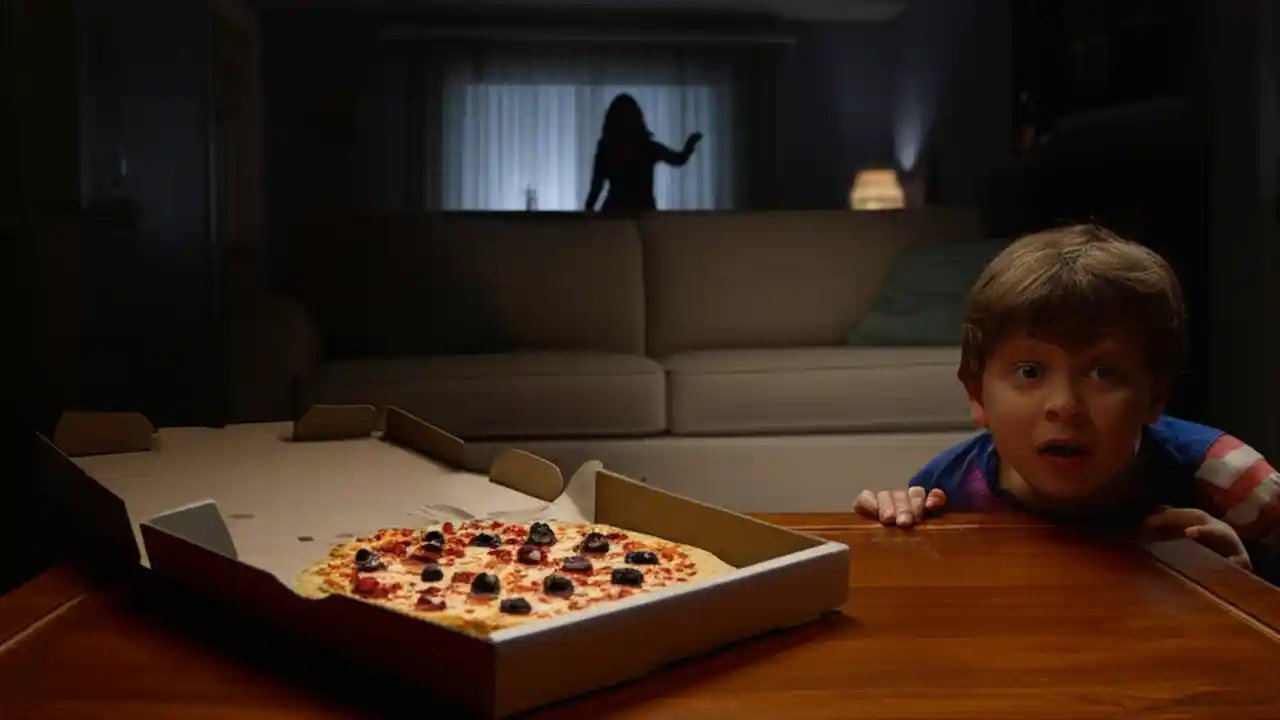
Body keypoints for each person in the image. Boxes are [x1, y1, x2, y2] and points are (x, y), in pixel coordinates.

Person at [854, 224, 1278, 581]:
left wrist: (1243, 581)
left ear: (1156, 395)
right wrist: (894, 527)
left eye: (1103, 373)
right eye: (1030, 372)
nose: (1064, 405)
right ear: (976, 394)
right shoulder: (947, 489)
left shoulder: (1231, 479)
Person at [584, 93, 702, 213]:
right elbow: (678, 159)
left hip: (616, 213)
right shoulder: (646, 147)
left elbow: (596, 187)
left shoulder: (607, 147)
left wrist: (587, 214)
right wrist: (689, 146)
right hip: (642, 212)